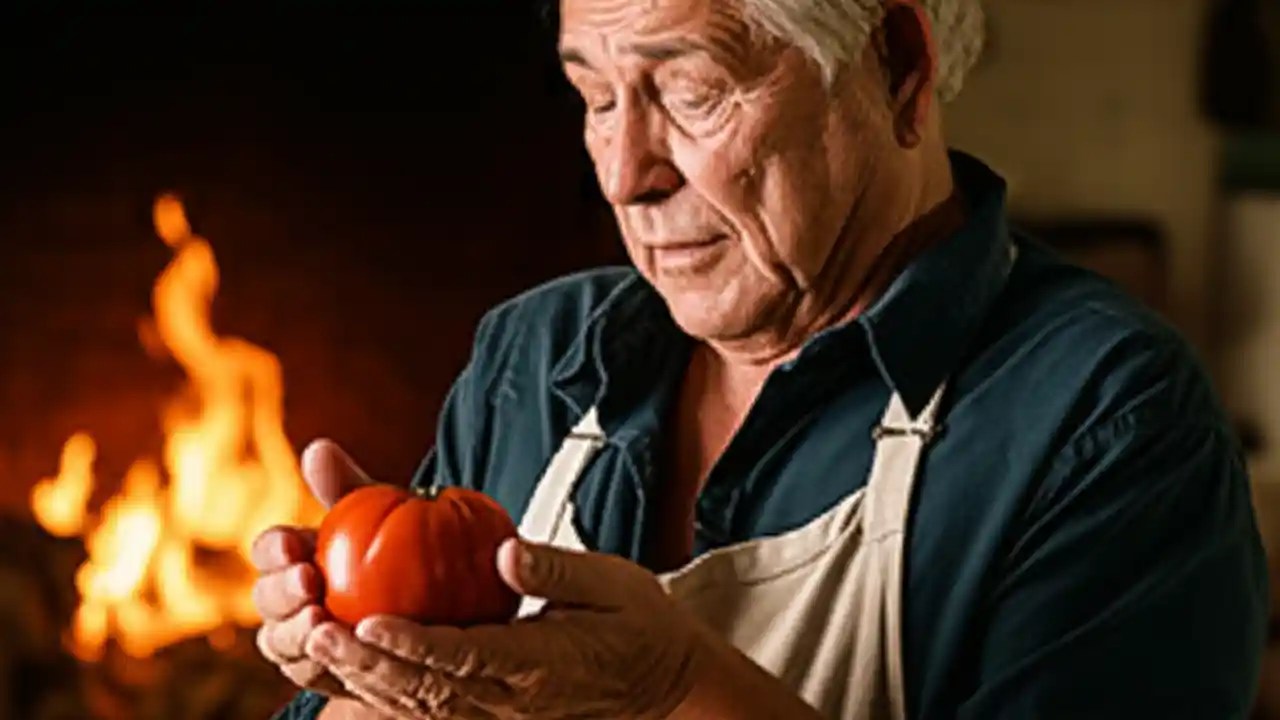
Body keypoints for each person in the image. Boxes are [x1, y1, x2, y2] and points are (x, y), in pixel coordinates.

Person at [255, 0, 1270, 717]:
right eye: (596, 99)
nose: (623, 175)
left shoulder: (1102, 420)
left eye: (690, 92)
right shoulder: (535, 356)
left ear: (896, 66)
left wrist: (671, 694)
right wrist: (372, 675)